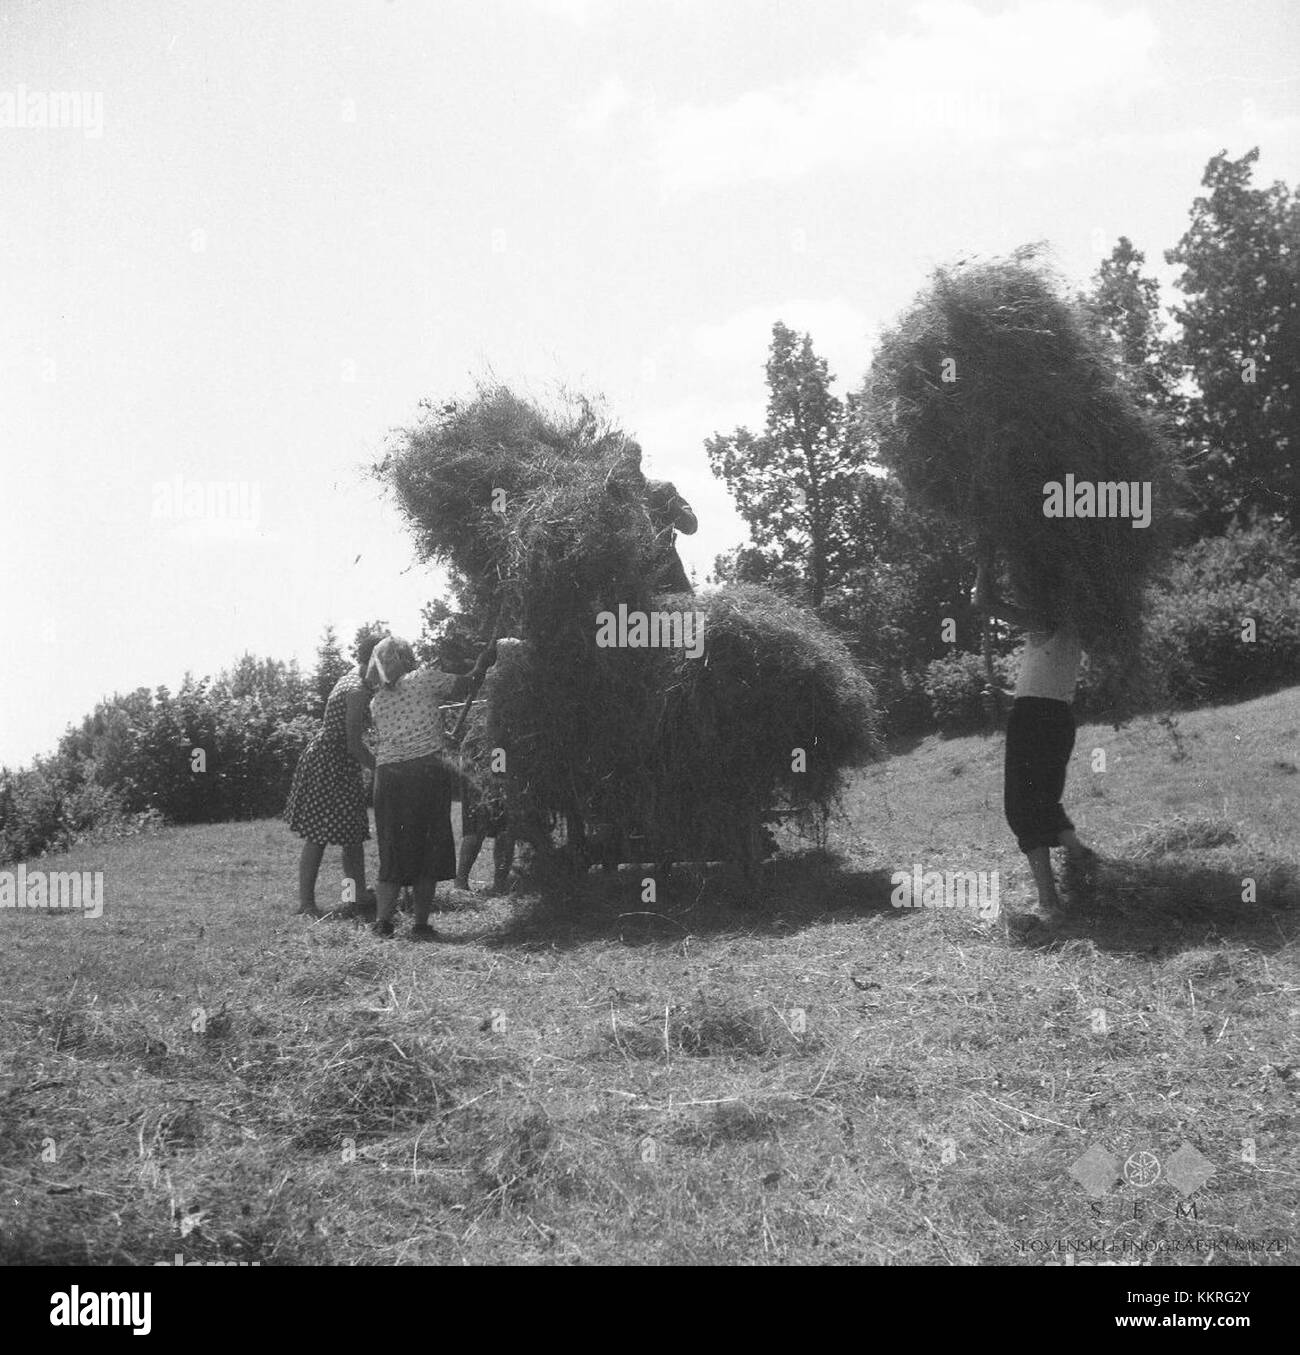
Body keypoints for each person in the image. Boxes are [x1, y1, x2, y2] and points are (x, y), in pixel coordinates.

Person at [976, 563, 1098, 916]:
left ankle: (1049, 902)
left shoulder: (1048, 620)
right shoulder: (1071, 627)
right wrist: (1007, 694)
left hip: (1034, 720)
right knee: (1043, 800)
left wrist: (983, 554)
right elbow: (1044, 684)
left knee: (1022, 808)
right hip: (1057, 717)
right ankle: (1080, 857)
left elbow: (984, 601)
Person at [367, 634, 495, 938]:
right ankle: (421, 924)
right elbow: (468, 683)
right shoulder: (424, 679)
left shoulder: (376, 700)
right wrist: (484, 661)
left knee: (392, 849)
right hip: (425, 772)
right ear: (407, 656)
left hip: (387, 777)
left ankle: (383, 923)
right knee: (427, 847)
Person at [284, 633, 380, 917]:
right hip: (330, 763)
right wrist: (379, 767)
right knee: (319, 835)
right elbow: (353, 741)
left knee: (351, 836)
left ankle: (354, 896)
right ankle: (306, 903)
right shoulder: (357, 690)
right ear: (374, 659)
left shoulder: (354, 676)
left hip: (336, 762)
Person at [455, 638, 523, 895]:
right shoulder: (503, 680)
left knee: (486, 820)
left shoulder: (482, 677)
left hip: (480, 750)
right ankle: (488, 882)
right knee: (494, 819)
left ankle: (473, 882)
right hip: (489, 752)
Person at [644, 478, 698, 594]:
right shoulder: (606, 495)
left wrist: (672, 509)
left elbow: (691, 526)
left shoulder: (661, 488)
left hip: (669, 574)